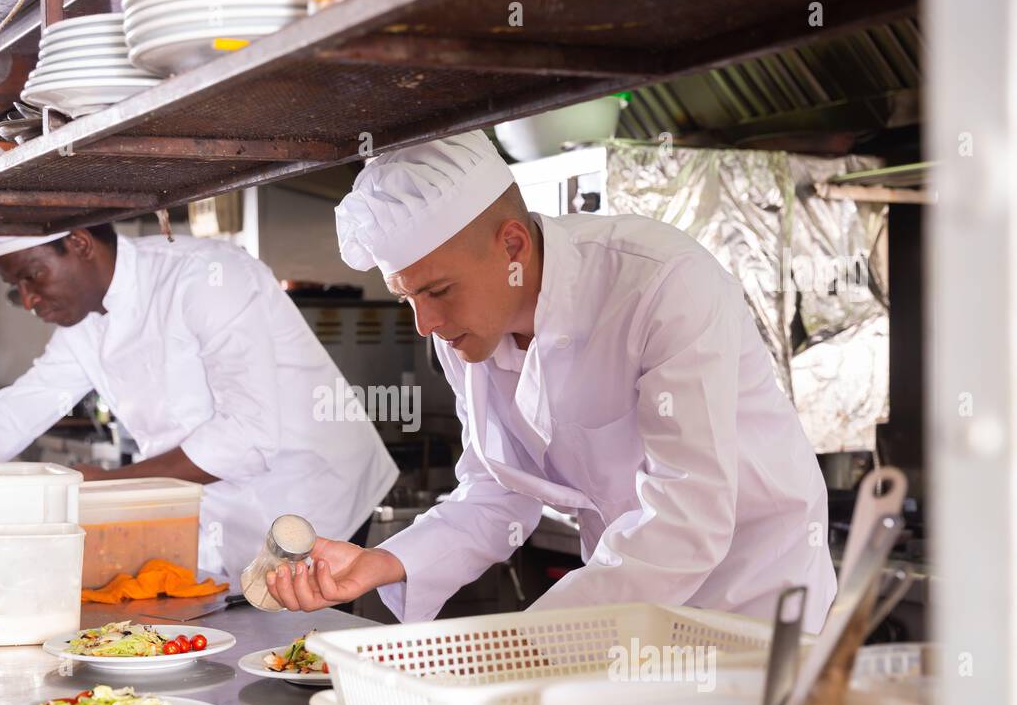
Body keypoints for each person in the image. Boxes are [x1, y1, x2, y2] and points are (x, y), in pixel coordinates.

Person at [265, 131, 836, 632]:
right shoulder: (467, 337)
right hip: (626, 610)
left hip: (756, 605)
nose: (427, 325)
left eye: (437, 292)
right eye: (407, 298)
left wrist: (528, 640)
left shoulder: (661, 286)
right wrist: (381, 563)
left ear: (511, 245)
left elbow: (688, 519)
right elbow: (497, 490)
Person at [0, 224, 398, 582]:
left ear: (81, 244)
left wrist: (108, 485)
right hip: (224, 512)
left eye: (32, 276)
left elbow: (245, 438)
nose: (27, 299)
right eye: (15, 287)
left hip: (315, 504)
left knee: (297, 667)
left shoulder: (205, 277)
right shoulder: (84, 322)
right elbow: (16, 410)